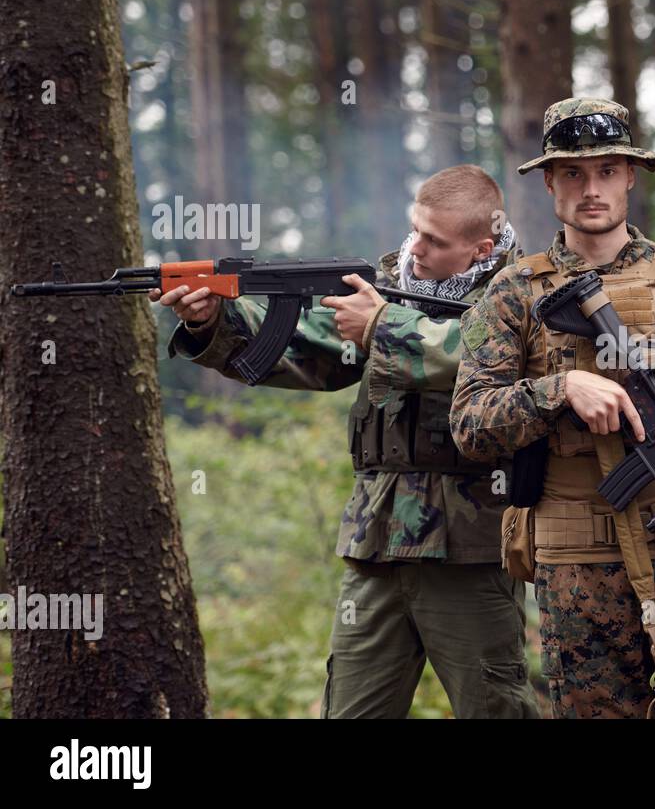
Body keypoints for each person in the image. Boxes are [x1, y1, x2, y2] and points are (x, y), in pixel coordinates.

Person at [155, 165, 539, 719]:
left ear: (481, 249)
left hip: (470, 552)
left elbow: (478, 357)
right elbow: (310, 353)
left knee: (495, 708)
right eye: (414, 230)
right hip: (375, 544)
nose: (416, 248)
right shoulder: (388, 284)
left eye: (435, 240)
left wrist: (383, 324)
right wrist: (216, 318)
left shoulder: (517, 293)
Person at [449, 98, 655, 718]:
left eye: (606, 171)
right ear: (549, 181)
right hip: (578, 559)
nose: (591, 188)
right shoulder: (515, 290)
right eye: (573, 173)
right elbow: (469, 423)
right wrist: (560, 390)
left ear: (631, 175)